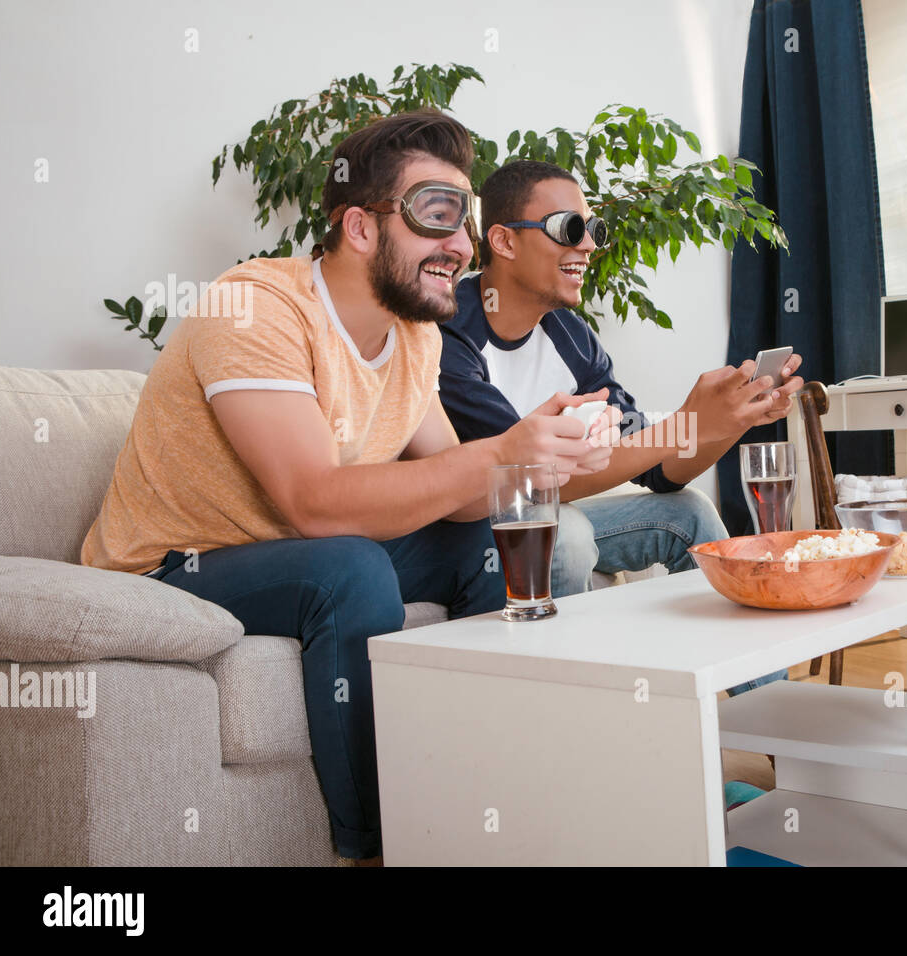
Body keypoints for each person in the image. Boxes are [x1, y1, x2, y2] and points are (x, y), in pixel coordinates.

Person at [80, 112, 616, 863]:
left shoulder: (415, 335)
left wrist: (534, 461)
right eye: (439, 214)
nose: (461, 247)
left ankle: (501, 796)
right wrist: (498, 453)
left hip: (298, 552)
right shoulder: (259, 306)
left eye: (468, 222)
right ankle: (380, 848)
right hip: (176, 564)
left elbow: (460, 491)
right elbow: (313, 501)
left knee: (488, 539)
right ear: (360, 227)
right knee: (349, 566)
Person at [437, 159, 804, 695]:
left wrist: (726, 421)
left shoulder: (570, 333)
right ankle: (591, 725)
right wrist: (685, 424)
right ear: (504, 241)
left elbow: (656, 469)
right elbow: (527, 482)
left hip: (548, 511)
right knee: (569, 534)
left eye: (595, 230)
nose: (588, 245)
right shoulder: (450, 332)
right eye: (569, 228)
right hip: (487, 529)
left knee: (691, 514)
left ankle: (777, 725)